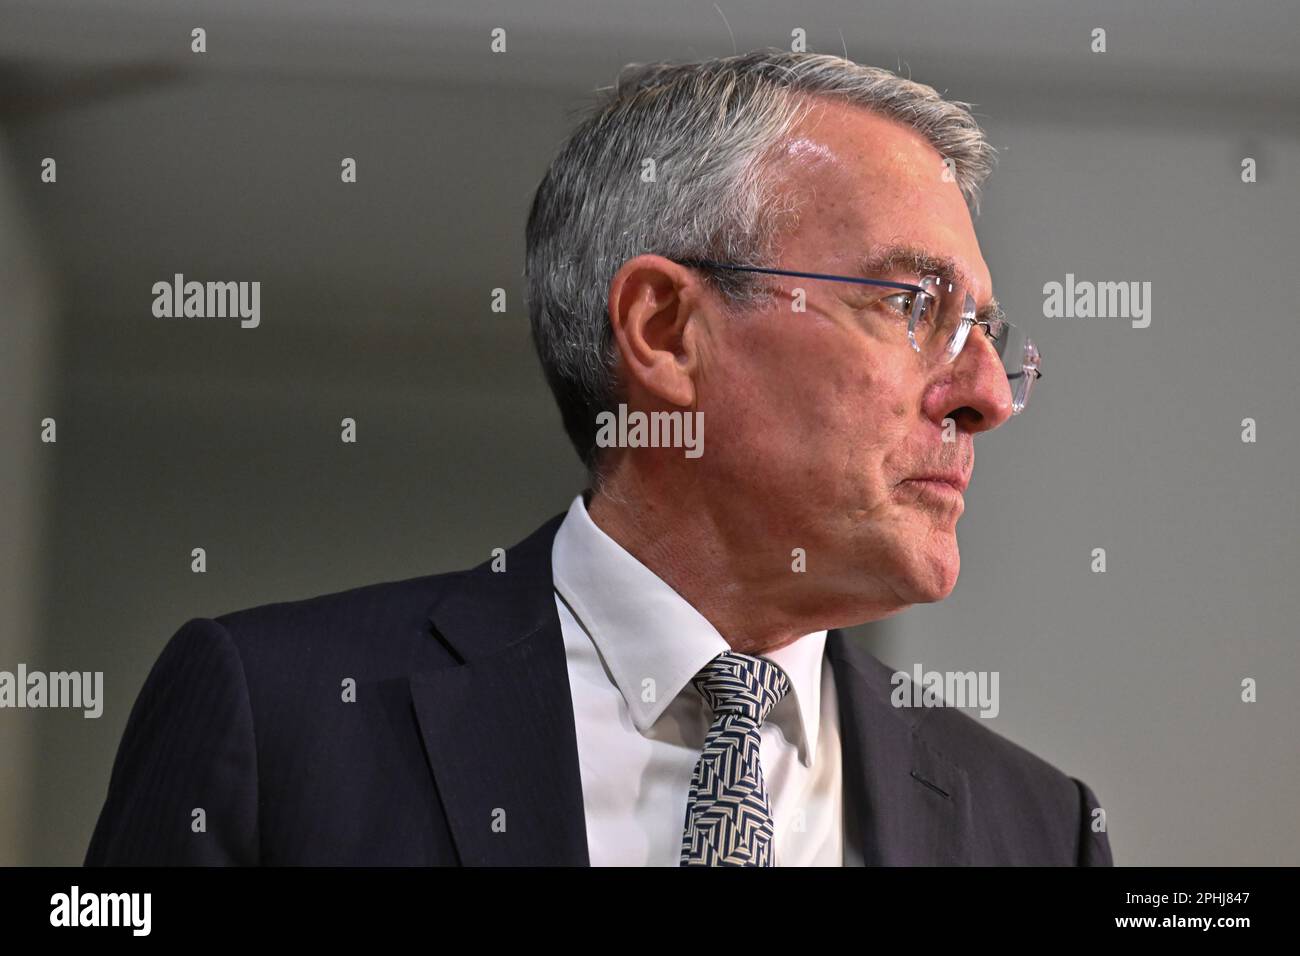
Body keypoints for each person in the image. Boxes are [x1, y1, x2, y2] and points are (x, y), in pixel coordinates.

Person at [86, 50, 1109, 866]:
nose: (983, 394)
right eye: (913, 306)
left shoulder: (1035, 825)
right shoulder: (281, 720)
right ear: (665, 329)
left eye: (984, 327)